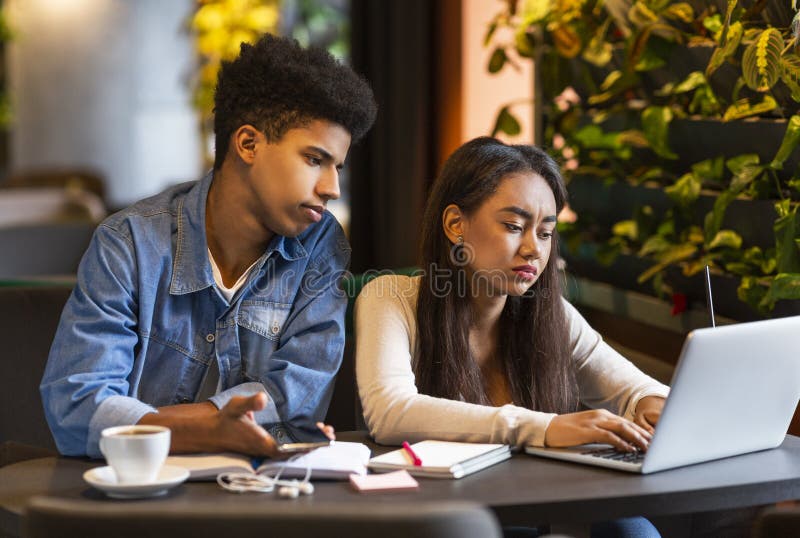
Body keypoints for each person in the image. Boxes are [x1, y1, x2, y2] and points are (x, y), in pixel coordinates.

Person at [40, 34, 377, 458]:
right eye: (314, 160)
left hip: (259, 501)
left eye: (338, 167)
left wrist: (153, 425)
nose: (331, 188)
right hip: (138, 504)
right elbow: (75, 408)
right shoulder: (128, 244)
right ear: (248, 143)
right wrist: (214, 429)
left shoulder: (321, 247)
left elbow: (298, 404)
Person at [355, 137, 669, 537]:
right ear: (455, 225)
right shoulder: (391, 298)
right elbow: (390, 411)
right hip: (440, 517)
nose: (532, 250)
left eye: (545, 232)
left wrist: (653, 404)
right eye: (513, 226)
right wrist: (545, 427)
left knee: (635, 531)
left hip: (536, 511)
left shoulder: (551, 315)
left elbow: (633, 389)